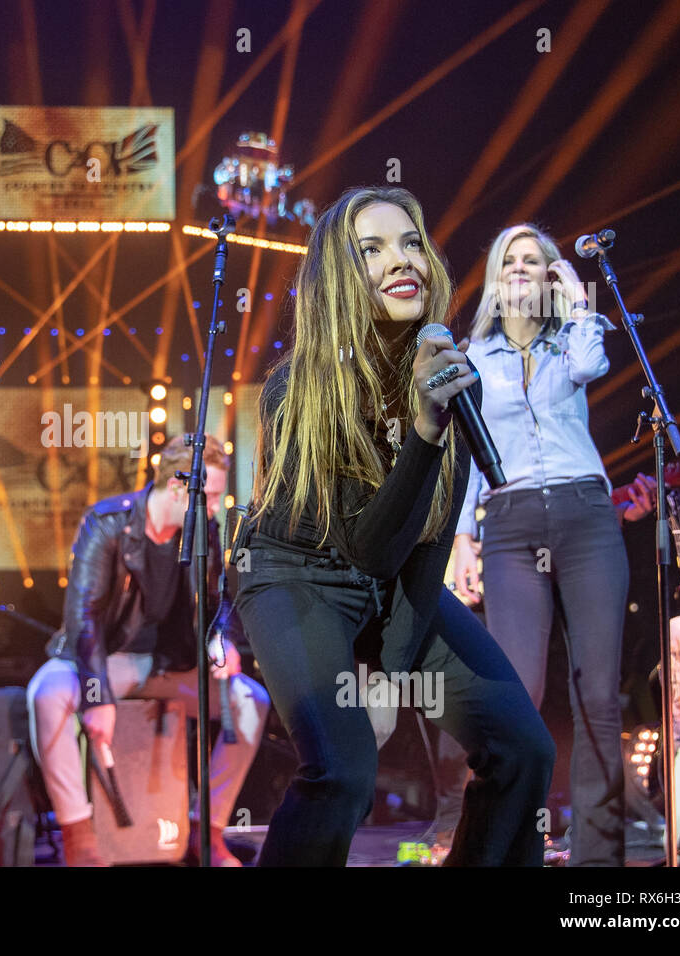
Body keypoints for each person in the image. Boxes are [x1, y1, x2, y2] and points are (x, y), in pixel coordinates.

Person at [232, 186, 555, 867]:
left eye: (411, 242)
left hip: (399, 580)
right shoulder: (300, 389)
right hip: (297, 576)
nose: (401, 259)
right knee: (344, 772)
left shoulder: (445, 374)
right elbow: (365, 544)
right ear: (340, 278)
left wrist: (390, 673)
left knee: (524, 748)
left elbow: (425, 543)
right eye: (372, 248)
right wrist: (425, 434)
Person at [448, 223, 648, 866]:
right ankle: (514, 847)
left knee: (596, 693)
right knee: (517, 692)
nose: (520, 271)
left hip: (585, 513)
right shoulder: (472, 358)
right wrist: (462, 536)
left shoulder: (572, 344)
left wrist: (579, 302)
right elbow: (470, 458)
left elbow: (594, 366)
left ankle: (597, 863)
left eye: (533, 262)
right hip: (509, 524)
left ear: (549, 276)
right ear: (495, 279)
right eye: (510, 262)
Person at [28, 434, 272, 866]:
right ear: (179, 488)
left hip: (168, 667)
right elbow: (82, 616)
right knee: (45, 693)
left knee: (250, 701)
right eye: (210, 496)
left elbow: (219, 604)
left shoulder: (204, 531)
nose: (215, 507)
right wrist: (96, 695)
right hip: (109, 661)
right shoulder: (107, 524)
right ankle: (79, 838)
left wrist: (222, 640)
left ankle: (206, 832)